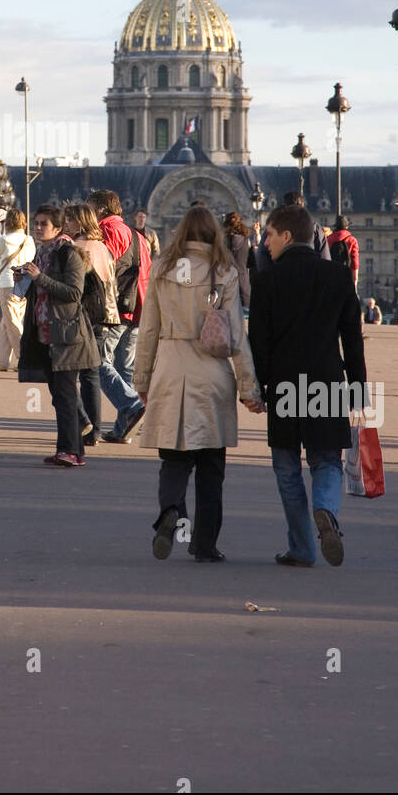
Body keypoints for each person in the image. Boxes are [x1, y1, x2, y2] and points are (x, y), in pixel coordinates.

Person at [134, 207, 263, 562]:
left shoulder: (161, 268)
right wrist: (249, 389)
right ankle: (204, 544)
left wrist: (142, 378)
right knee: (211, 466)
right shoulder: (223, 271)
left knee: (174, 460)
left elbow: (147, 331)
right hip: (212, 373)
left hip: (171, 368)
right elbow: (236, 334)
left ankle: (170, 512)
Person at [248, 204, 367, 568]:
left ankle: (301, 548)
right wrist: (358, 389)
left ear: (286, 235)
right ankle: (326, 509)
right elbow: (353, 338)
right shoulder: (338, 276)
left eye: (268, 235)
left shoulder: (266, 281)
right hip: (327, 379)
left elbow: (259, 342)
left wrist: (261, 388)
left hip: (285, 381)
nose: (265, 243)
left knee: (287, 467)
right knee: (327, 459)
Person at [17, 204, 100, 467]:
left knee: (64, 395)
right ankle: (72, 450)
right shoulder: (41, 253)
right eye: (36, 223)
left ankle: (70, 451)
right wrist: (25, 277)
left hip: (67, 335)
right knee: (59, 396)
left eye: (44, 224)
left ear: (58, 227)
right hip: (45, 334)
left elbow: (74, 293)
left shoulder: (69, 254)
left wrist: (40, 277)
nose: (38, 228)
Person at [86, 189, 152, 443]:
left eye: (90, 209)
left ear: (101, 210)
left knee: (96, 360)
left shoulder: (109, 231)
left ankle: (132, 405)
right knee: (125, 369)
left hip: (118, 309)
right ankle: (123, 429)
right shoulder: (137, 235)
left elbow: (102, 266)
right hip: (139, 307)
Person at [62, 202, 116, 445]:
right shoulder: (103, 247)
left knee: (68, 373)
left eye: (70, 220)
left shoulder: (76, 247)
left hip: (81, 316)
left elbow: (73, 287)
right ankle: (94, 430)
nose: (66, 224)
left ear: (81, 222)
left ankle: (82, 423)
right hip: (104, 315)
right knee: (92, 374)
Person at [0, 208, 34, 370]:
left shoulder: (4, 240)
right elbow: (32, 258)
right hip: (25, 284)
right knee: (7, 323)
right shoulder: (29, 240)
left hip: (7, 283)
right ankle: (1, 362)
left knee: (12, 323)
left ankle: (25, 358)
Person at [255, 191, 330, 272]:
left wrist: (266, 277)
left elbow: (262, 256)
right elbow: (325, 258)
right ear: (302, 206)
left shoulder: (274, 227)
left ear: (284, 207)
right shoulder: (316, 229)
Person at [223, 211, 251, 308]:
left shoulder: (223, 241)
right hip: (243, 282)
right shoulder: (245, 240)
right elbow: (250, 261)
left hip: (226, 283)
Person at [327, 215, 359, 292]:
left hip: (331, 275)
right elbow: (355, 262)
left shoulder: (328, 239)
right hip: (346, 275)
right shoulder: (352, 240)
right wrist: (355, 279)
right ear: (346, 227)